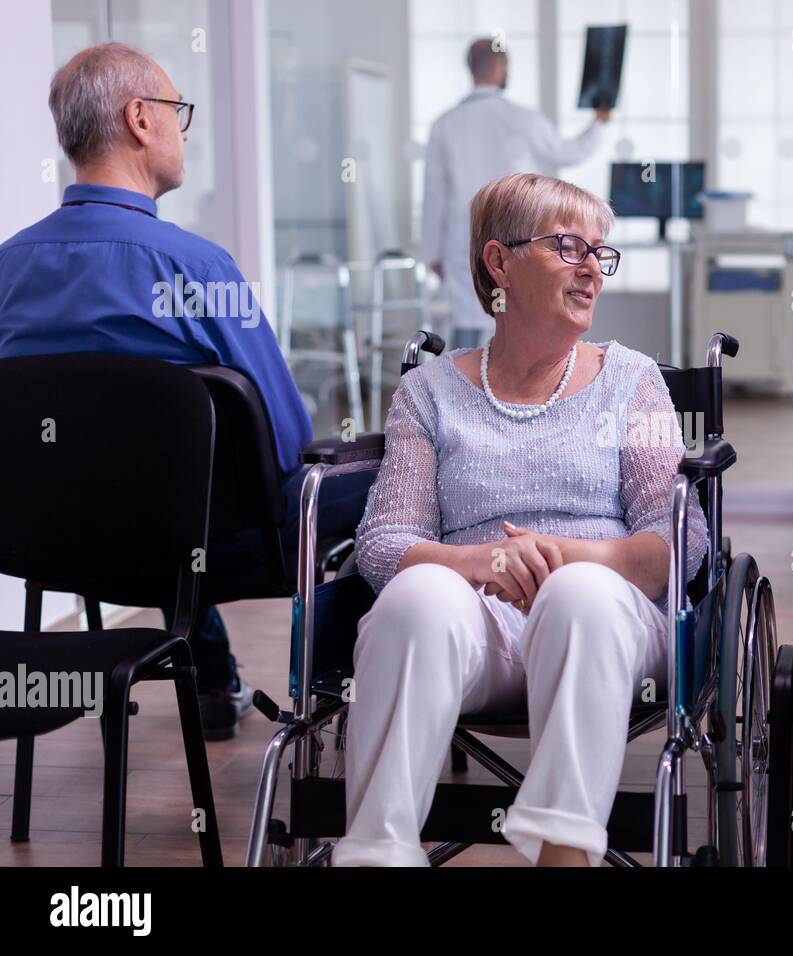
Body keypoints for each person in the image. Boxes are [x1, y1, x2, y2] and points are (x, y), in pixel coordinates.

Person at [333, 172, 706, 867]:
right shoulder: (429, 392)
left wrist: (569, 556)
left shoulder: (634, 382)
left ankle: (565, 854)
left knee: (577, 594)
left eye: (602, 252)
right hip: (477, 631)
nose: (593, 268)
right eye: (569, 247)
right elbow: (384, 545)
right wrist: (477, 562)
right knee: (416, 594)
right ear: (498, 261)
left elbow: (678, 540)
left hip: (610, 622)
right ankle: (377, 855)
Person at [0, 43, 368, 740]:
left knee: (157, 481)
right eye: (177, 111)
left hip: (50, 549)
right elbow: (286, 443)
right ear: (141, 118)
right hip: (208, 547)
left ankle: (210, 677)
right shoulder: (196, 267)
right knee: (386, 480)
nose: (183, 129)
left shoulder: (8, 266)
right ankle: (342, 695)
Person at [421, 38, 611, 346]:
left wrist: (432, 252)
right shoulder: (524, 119)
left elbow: (434, 194)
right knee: (516, 316)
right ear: (499, 67)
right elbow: (568, 154)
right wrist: (599, 124)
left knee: (469, 324)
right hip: (518, 238)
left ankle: (466, 386)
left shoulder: (444, 125)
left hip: (463, 239)